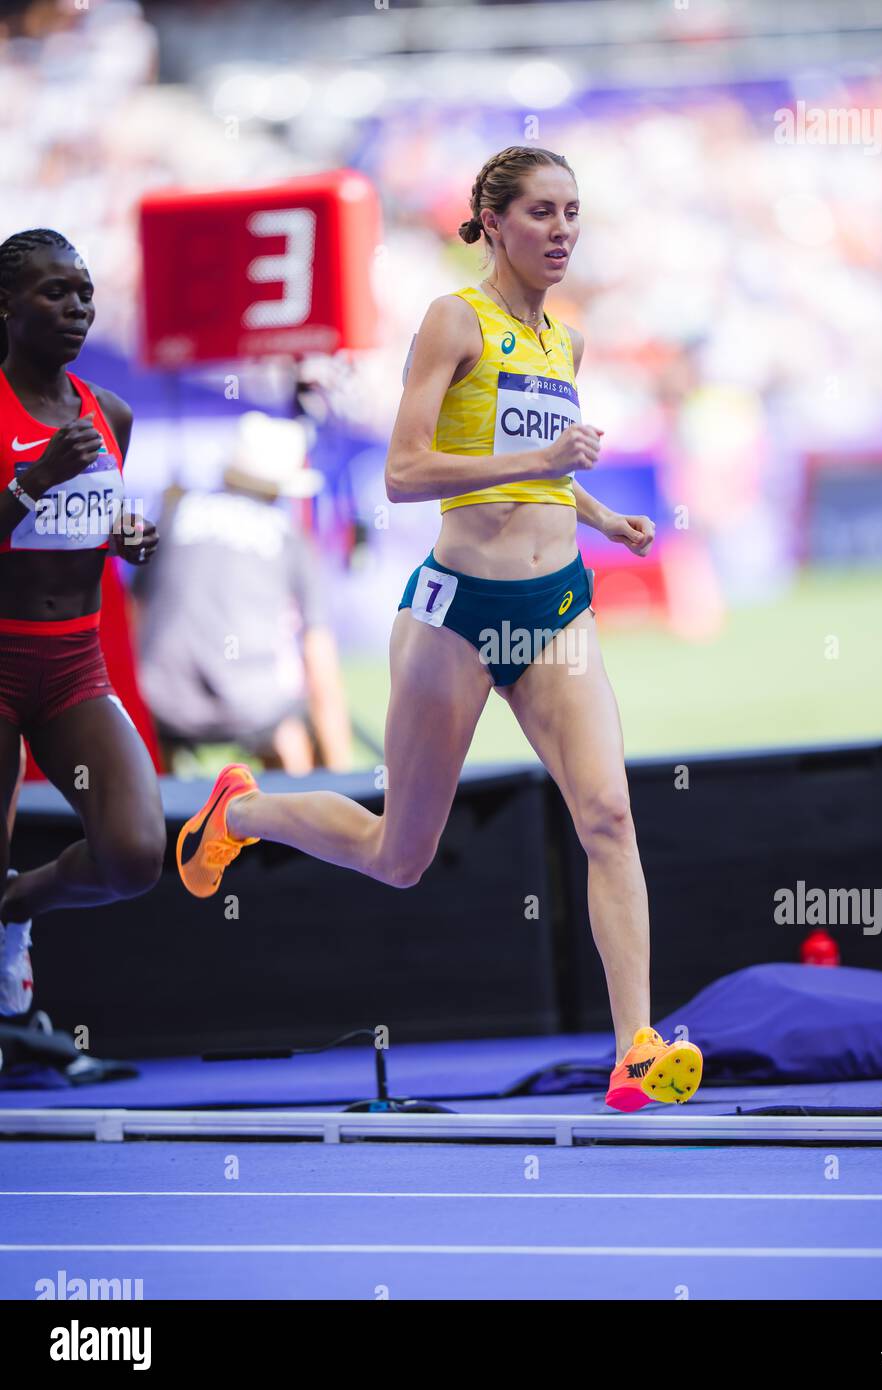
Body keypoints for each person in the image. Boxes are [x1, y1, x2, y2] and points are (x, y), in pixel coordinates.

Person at [176, 146, 703, 1111]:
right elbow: (406, 472)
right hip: (457, 614)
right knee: (400, 857)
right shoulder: (455, 320)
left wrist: (595, 515)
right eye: (542, 212)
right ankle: (239, 813)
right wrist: (540, 454)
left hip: (557, 612)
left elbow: (534, 469)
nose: (562, 231)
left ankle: (634, 1048)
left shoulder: (566, 342)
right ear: (492, 222)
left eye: (573, 213)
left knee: (610, 816)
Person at [0, 228, 166, 1015]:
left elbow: (85, 525)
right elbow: (31, 503)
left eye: (85, 292)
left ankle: (13, 910)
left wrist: (123, 537)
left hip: (73, 666)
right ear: (6, 304)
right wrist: (37, 480)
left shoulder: (112, 415)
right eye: (54, 292)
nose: (76, 308)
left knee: (133, 854)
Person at [131, 411, 355, 776]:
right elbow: (319, 654)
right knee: (293, 737)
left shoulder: (173, 512)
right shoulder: (288, 535)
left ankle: (164, 817)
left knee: (156, 764)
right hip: (253, 706)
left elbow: (134, 610)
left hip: (161, 701)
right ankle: (303, 817)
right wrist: (345, 776)